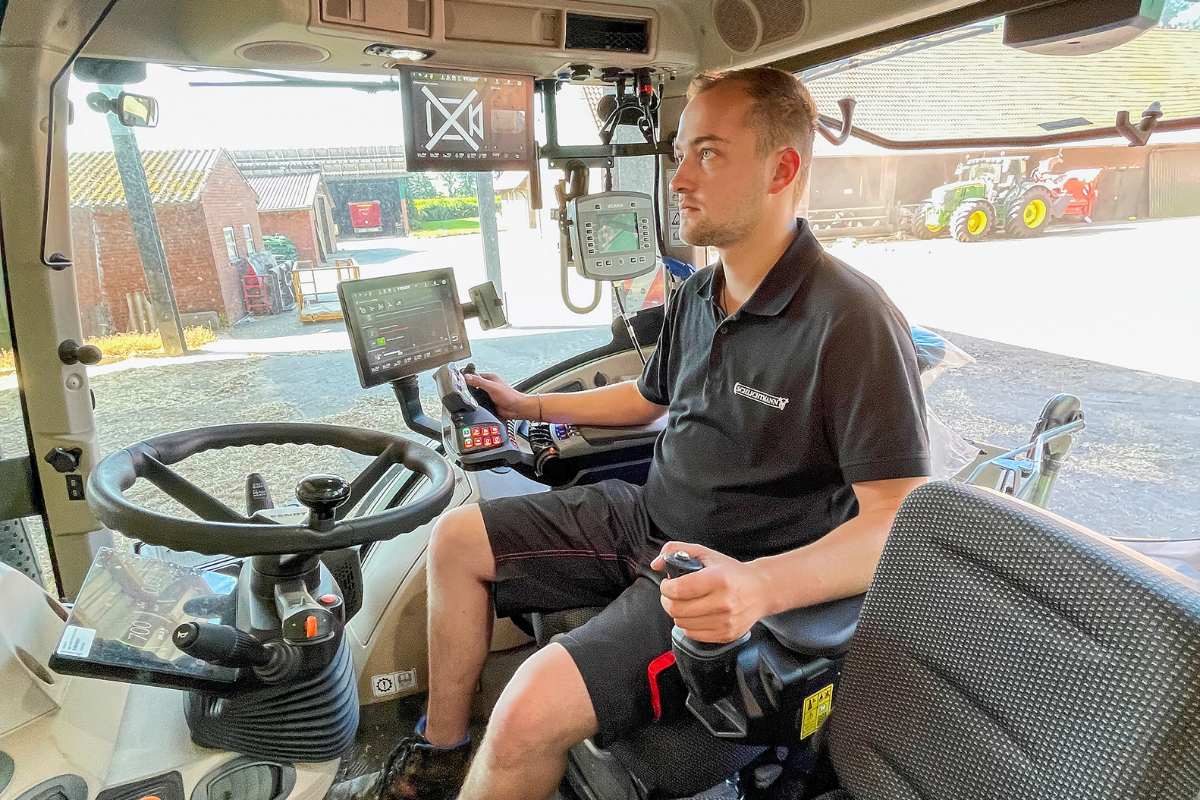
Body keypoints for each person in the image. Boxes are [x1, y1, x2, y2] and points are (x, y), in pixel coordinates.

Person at [337, 66, 930, 800]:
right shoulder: (698, 295)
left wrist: (756, 586)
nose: (679, 178)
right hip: (643, 516)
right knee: (457, 539)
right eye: (681, 151)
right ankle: (442, 752)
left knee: (525, 708)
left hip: (716, 571)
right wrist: (526, 407)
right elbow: (651, 401)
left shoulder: (852, 321)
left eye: (708, 153)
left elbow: (897, 519)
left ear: (782, 169)